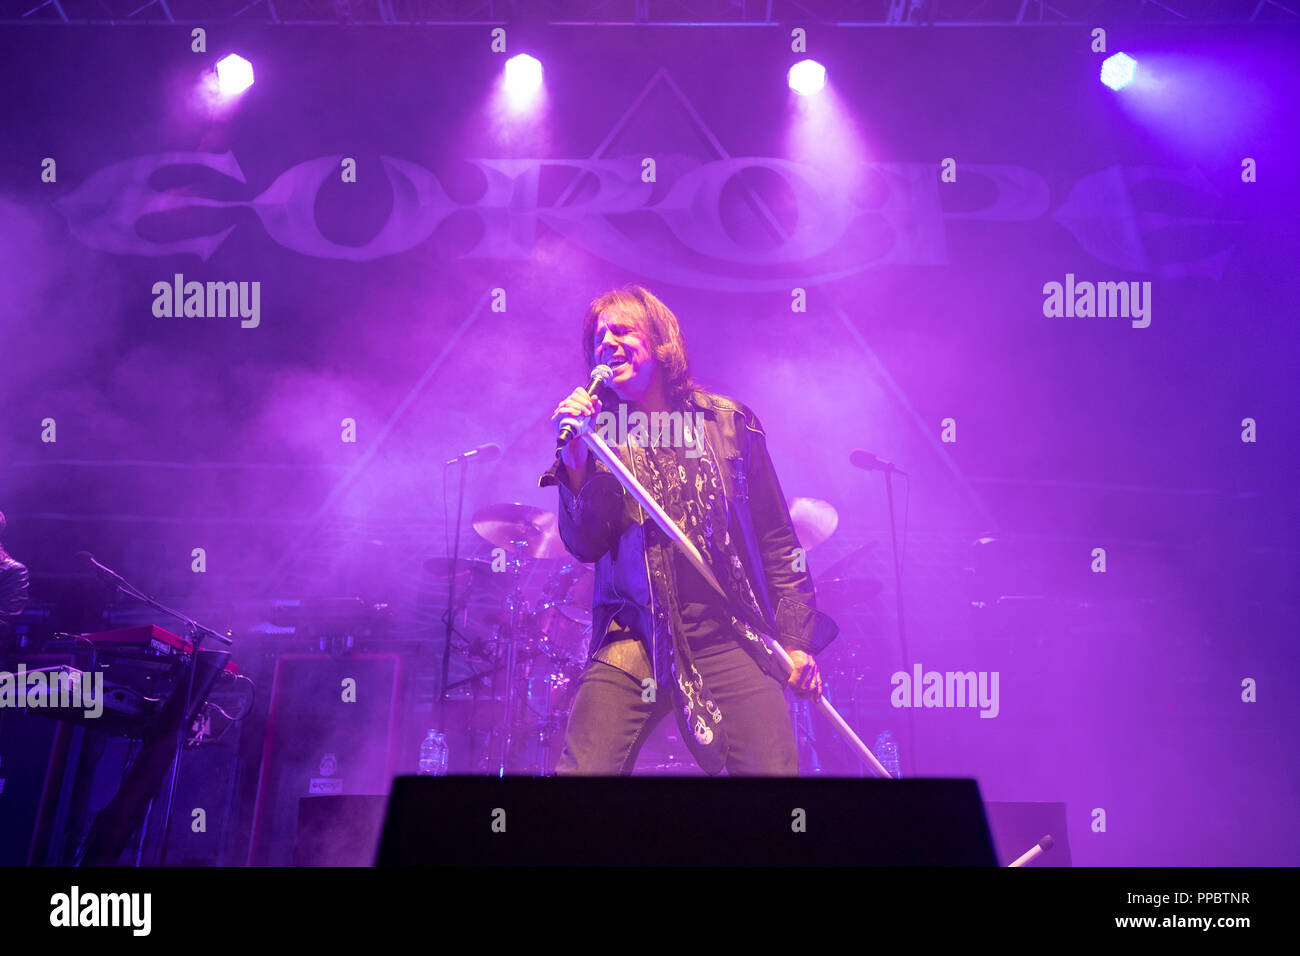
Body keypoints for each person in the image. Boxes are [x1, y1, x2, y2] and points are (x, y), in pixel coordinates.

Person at [539, 285, 838, 776]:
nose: (606, 343)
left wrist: (797, 639)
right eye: (598, 337)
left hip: (729, 635)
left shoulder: (729, 424)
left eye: (622, 330)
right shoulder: (597, 439)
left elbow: (779, 543)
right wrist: (573, 465)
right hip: (633, 638)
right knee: (582, 776)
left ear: (661, 343)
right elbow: (584, 543)